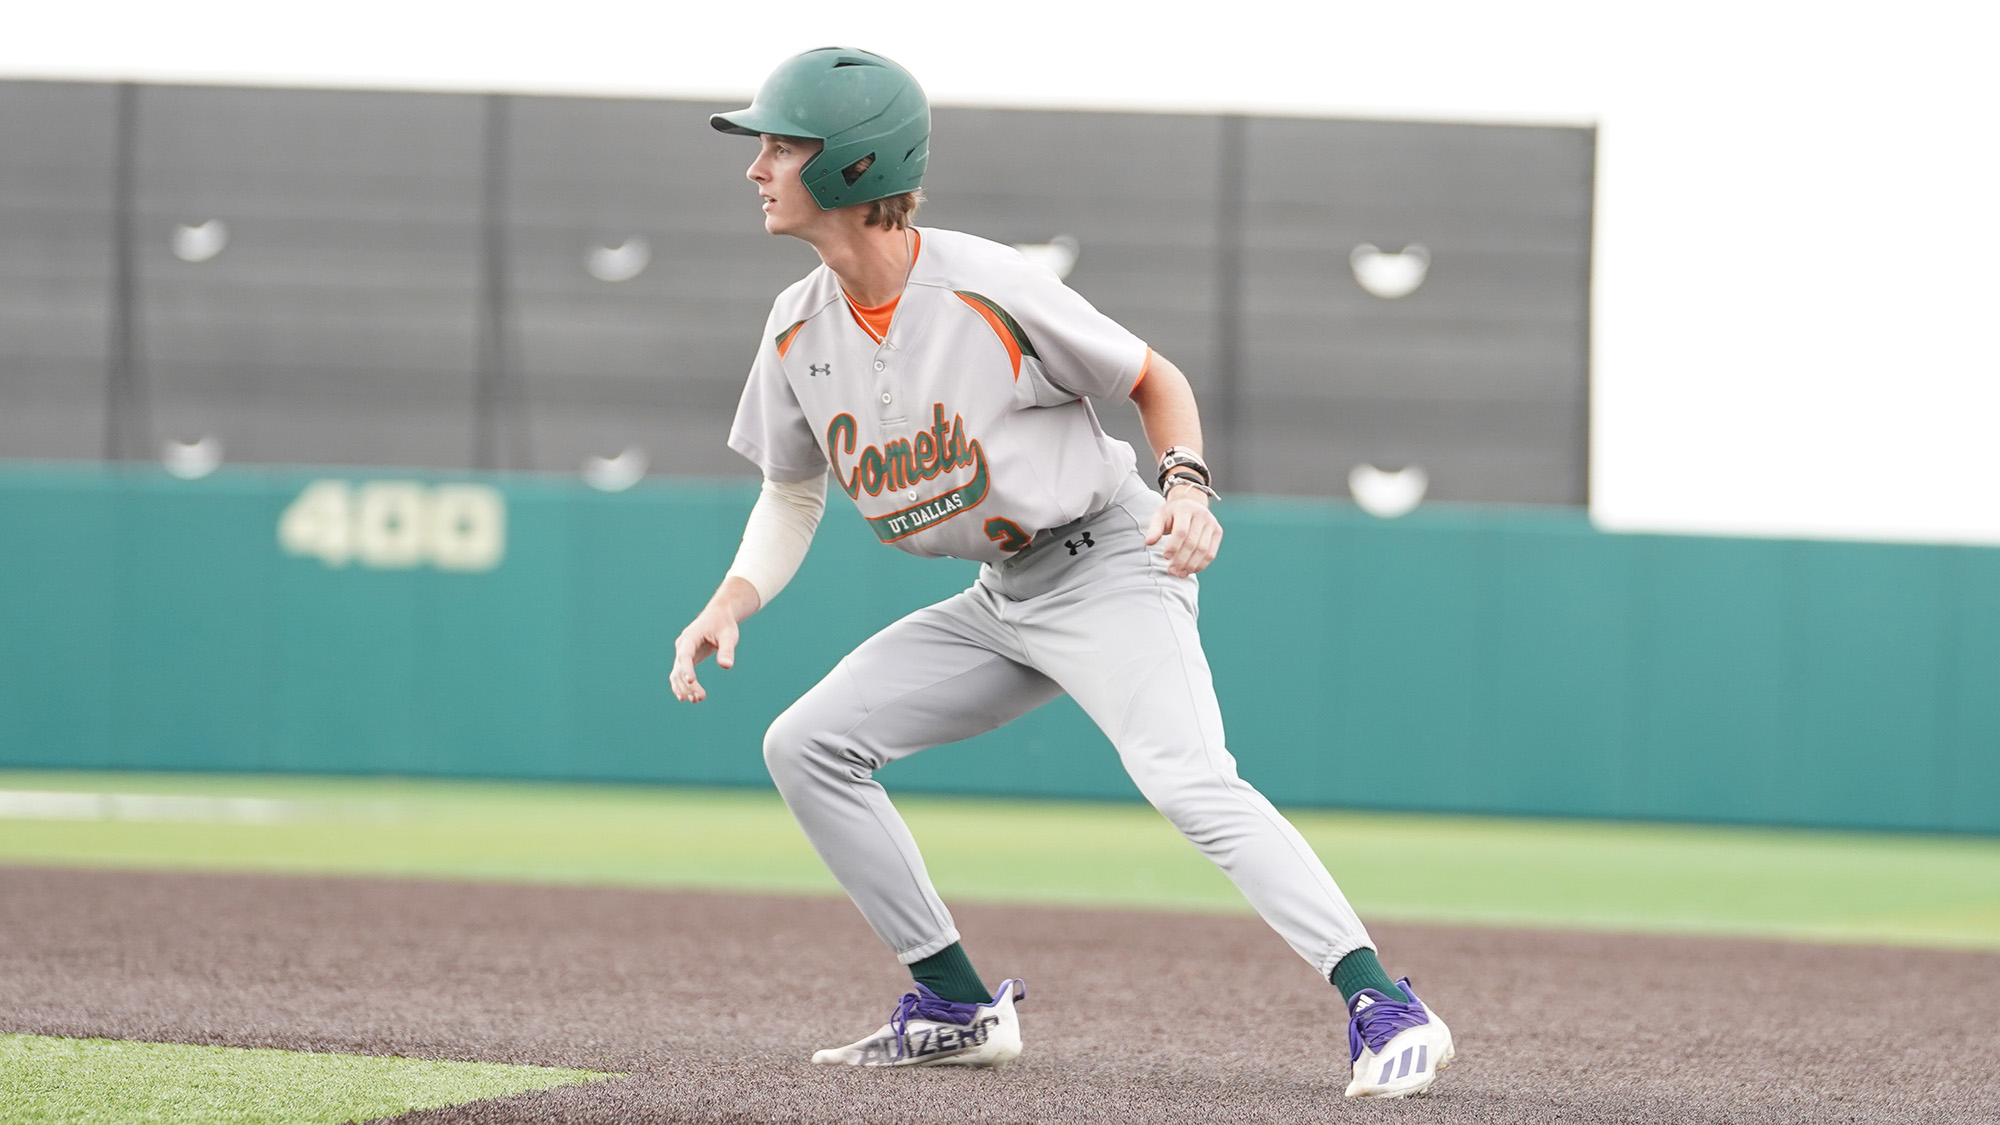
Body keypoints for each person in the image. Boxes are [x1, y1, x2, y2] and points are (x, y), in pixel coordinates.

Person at [670, 46, 1455, 1098]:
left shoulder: (986, 284)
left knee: (1182, 775)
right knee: (807, 744)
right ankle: (952, 1004)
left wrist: (1186, 487)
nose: (755, 166)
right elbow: (791, 488)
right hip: (1003, 599)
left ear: (854, 168)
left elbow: (1151, 379)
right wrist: (735, 595)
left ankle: (1382, 1005)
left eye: (779, 144)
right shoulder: (797, 325)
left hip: (1108, 565)